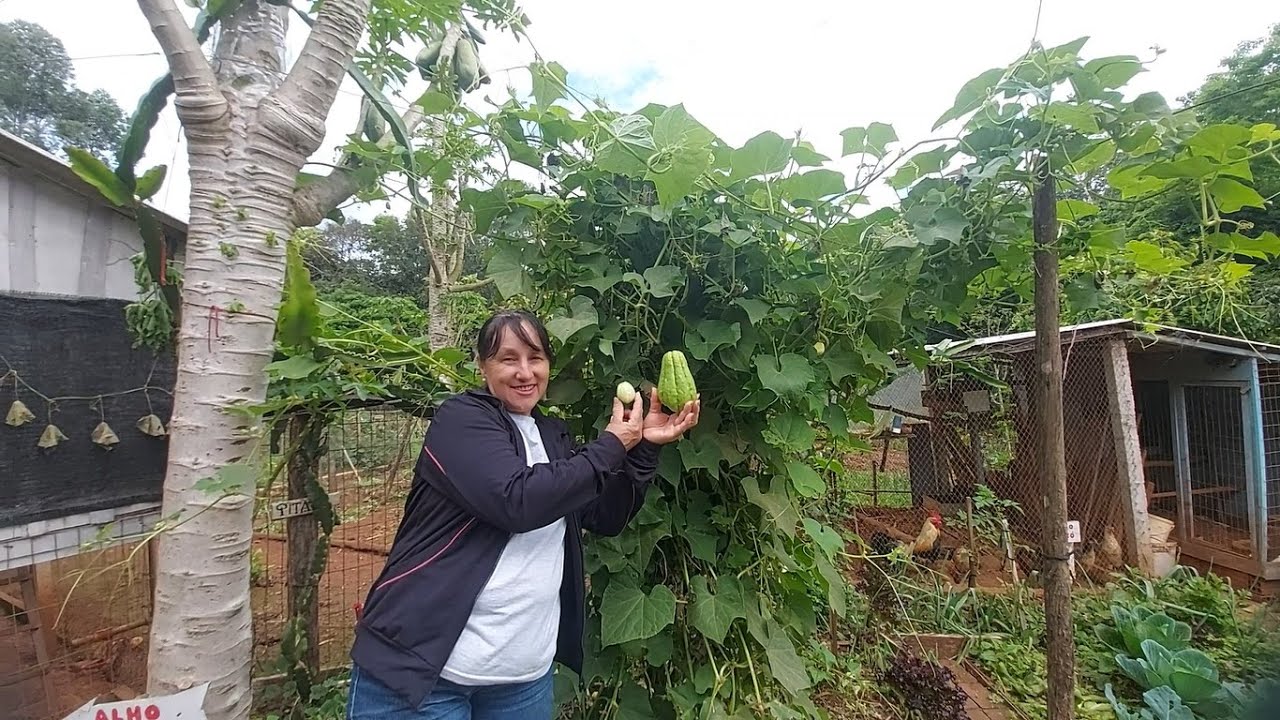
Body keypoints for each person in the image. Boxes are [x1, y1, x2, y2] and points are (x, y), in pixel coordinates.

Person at [346, 309, 700, 720]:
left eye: (536, 358)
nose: (525, 372)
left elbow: (606, 516)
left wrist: (645, 448)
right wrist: (611, 444)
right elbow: (516, 501)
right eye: (508, 359)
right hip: (423, 676)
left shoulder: (553, 437)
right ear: (482, 366)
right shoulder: (460, 420)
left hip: (523, 680)